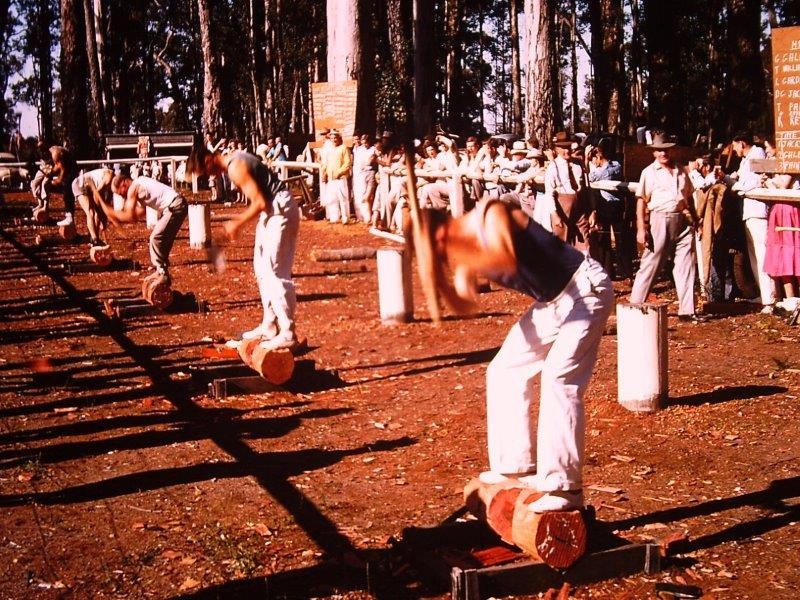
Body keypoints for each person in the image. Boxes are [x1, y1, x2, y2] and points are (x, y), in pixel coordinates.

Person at [421, 200, 614, 512]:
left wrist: (458, 262)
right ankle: (516, 466)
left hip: (584, 289)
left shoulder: (489, 214)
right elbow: (463, 303)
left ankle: (565, 489)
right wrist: (437, 281)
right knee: (504, 370)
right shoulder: (462, 250)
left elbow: (504, 259)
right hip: (552, 302)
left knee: (559, 377)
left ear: (441, 234)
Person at [187, 142, 300, 351]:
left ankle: (288, 332)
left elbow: (259, 202)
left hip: (280, 209)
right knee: (261, 269)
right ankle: (269, 325)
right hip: (272, 211)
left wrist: (237, 223)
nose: (209, 177)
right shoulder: (234, 159)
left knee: (275, 271)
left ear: (208, 160)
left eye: (205, 173)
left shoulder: (235, 167)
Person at [629, 132, 701, 322]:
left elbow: (688, 197)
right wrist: (641, 228)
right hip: (659, 219)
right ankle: (635, 305)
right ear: (653, 152)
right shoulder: (649, 172)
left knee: (686, 265)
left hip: (681, 220)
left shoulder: (680, 170)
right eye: (659, 150)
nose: (663, 153)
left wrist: (694, 218)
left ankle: (687, 311)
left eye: (666, 150)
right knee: (651, 263)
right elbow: (641, 201)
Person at [105, 174, 188, 287]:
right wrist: (115, 216)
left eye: (120, 193)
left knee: (155, 238)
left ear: (123, 183)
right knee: (161, 240)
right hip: (176, 205)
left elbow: (129, 215)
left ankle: (162, 273)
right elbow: (137, 215)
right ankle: (161, 271)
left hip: (175, 206)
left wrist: (112, 213)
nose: (122, 196)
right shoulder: (141, 184)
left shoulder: (134, 187)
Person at [731, 132, 776, 309]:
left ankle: (771, 298)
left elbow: (757, 180)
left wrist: (738, 187)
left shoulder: (757, 153)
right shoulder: (744, 160)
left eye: (735, 145)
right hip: (748, 211)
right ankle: (763, 295)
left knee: (762, 254)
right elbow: (743, 181)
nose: (734, 150)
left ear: (742, 143)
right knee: (754, 256)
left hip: (758, 210)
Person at [764, 174, 800, 313]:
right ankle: (791, 301)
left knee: (795, 252)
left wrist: (768, 182)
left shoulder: (791, 160)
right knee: (783, 256)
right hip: (779, 209)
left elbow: (784, 185)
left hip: (791, 208)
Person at [72, 167, 114, 247]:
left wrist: (103, 218)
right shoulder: (109, 177)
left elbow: (105, 204)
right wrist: (100, 212)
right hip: (81, 183)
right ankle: (95, 240)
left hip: (90, 186)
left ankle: (95, 239)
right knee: (90, 212)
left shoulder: (110, 187)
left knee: (97, 214)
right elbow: (96, 193)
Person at [50, 145, 79, 228]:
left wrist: (58, 180)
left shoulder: (60, 154)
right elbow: (57, 166)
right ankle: (69, 216)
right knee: (66, 190)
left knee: (67, 190)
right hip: (70, 170)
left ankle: (69, 217)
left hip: (71, 172)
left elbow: (62, 169)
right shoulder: (56, 152)